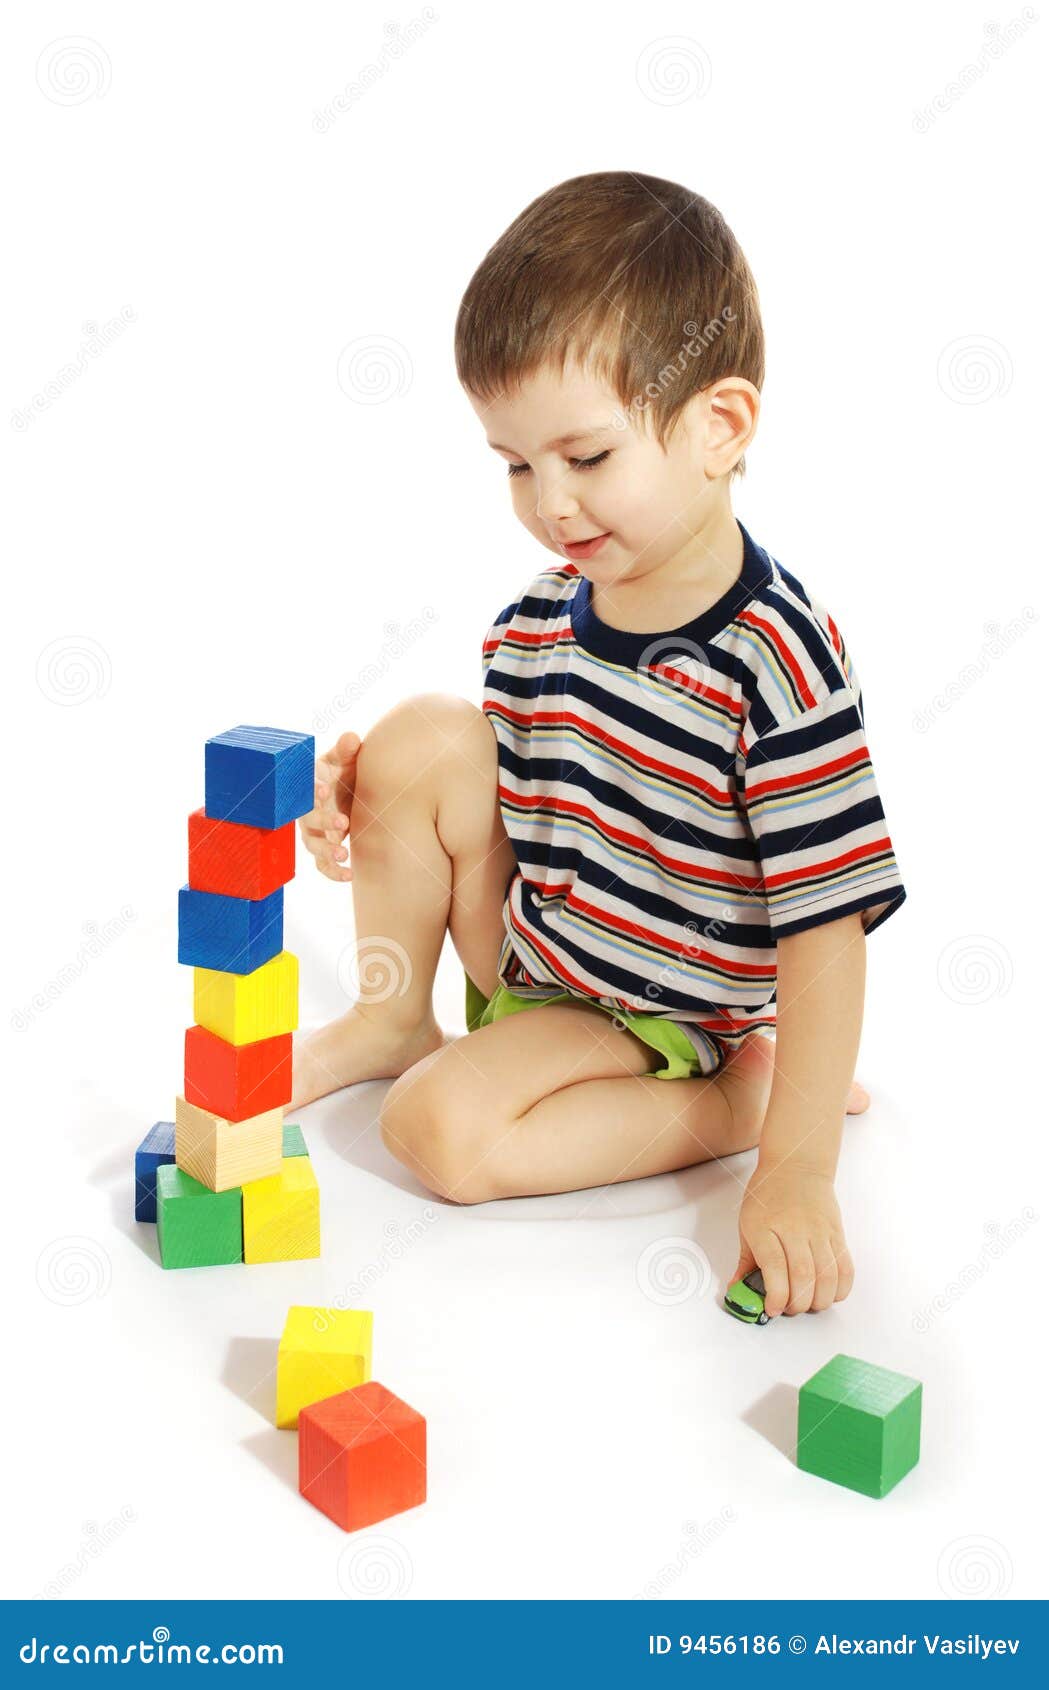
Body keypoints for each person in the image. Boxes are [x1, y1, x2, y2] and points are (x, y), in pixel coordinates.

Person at [292, 171, 906, 1319]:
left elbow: (827, 926)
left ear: (717, 428)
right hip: (539, 956)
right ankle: (389, 1016)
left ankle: (738, 1097)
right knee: (421, 732)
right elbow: (516, 800)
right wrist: (365, 807)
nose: (548, 504)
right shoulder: (540, 615)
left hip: (656, 1014)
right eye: (515, 464)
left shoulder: (771, 661)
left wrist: (794, 1167)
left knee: (436, 1130)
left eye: (585, 457)